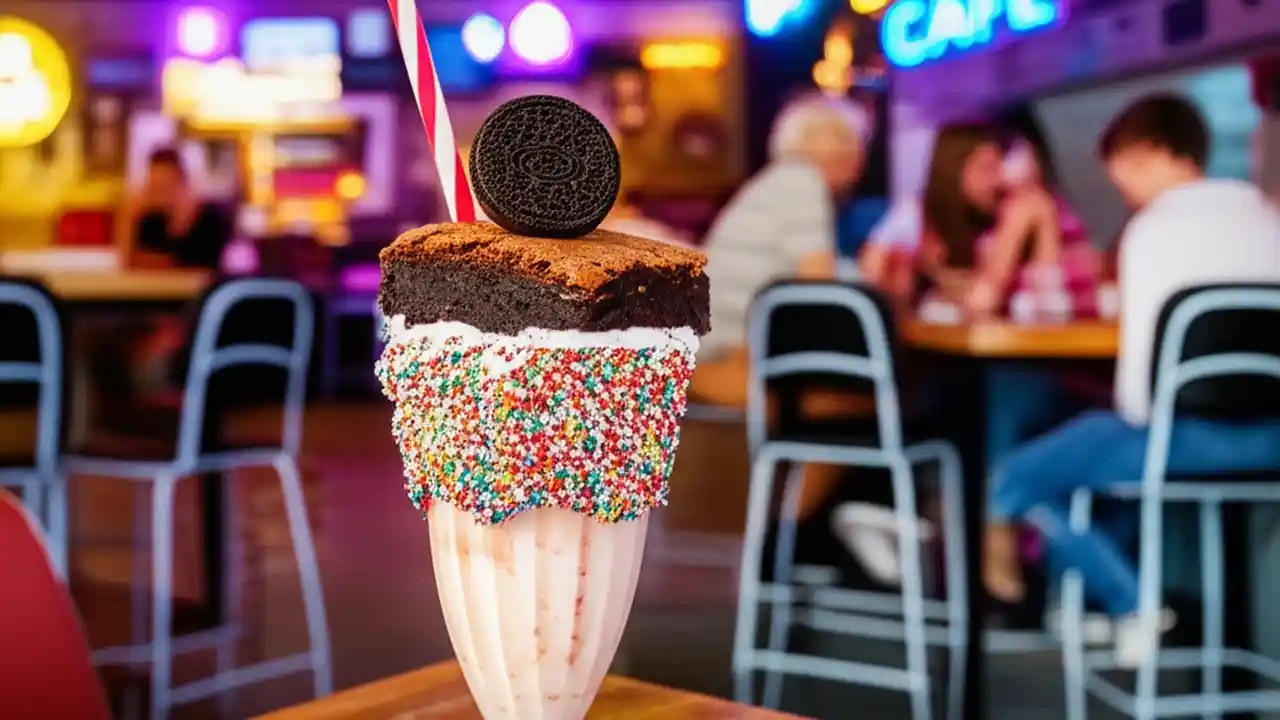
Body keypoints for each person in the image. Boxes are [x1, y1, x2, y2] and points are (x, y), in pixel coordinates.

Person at [985, 94, 1280, 665]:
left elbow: (1139, 399)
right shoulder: (1267, 217)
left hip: (1180, 440)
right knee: (1095, 454)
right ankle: (1120, 607)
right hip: (1271, 439)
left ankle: (1131, 604)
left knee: (1017, 479)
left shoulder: (1150, 232)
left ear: (1147, 154)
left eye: (1121, 175)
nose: (1122, 192)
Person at [692, 92, 872, 406]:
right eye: (845, 140)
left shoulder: (774, 184)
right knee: (902, 387)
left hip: (719, 354)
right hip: (735, 362)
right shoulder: (803, 183)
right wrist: (874, 282)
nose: (856, 154)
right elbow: (821, 292)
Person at [859, 123, 1004, 311]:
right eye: (987, 169)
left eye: (998, 168)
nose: (998, 179)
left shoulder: (1001, 218)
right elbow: (870, 273)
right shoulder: (914, 216)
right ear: (954, 169)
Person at [117, 147, 230, 270]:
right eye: (154, 187)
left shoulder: (211, 219)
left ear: (182, 183)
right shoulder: (151, 220)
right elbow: (129, 263)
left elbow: (200, 265)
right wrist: (128, 218)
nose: (158, 195)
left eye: (165, 187)